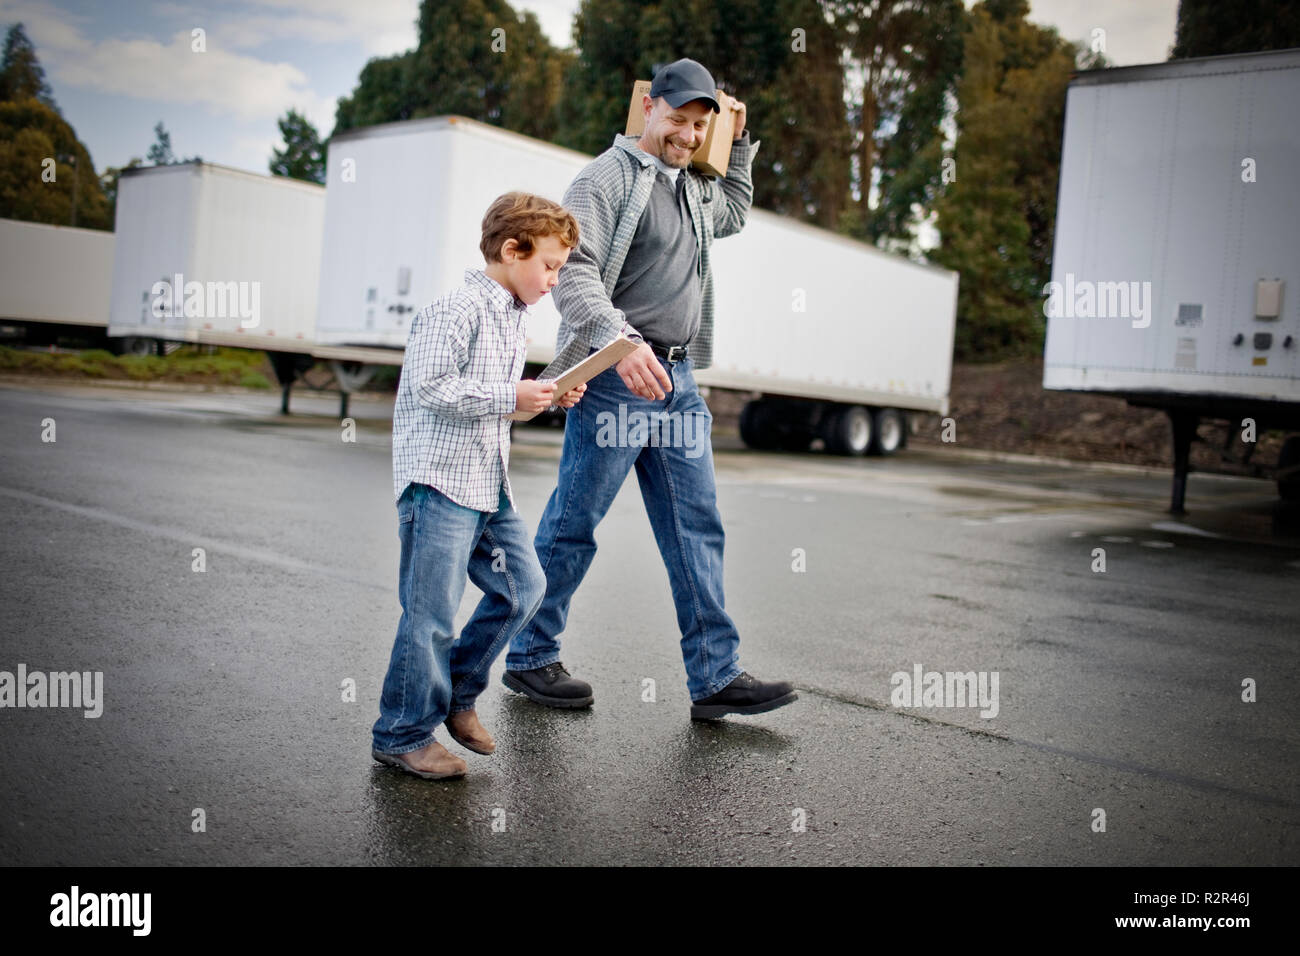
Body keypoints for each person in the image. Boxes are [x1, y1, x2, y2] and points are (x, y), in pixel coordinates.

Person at [502, 59, 797, 720]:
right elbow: (573, 276)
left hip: (679, 382)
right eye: (679, 120)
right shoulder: (603, 180)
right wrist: (622, 343)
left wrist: (739, 145)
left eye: (700, 126)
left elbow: (737, 214)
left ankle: (715, 677)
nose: (688, 136)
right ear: (649, 109)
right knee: (574, 525)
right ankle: (528, 658)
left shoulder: (694, 185)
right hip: (615, 381)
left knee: (697, 528)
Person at [372, 192, 587, 780]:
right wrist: (510, 395)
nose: (553, 281)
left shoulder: (512, 318)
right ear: (511, 249)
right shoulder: (456, 308)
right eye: (548, 265)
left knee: (525, 589)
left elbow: (493, 407)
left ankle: (457, 694)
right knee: (430, 615)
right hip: (437, 484)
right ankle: (401, 732)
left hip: (487, 484)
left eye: (560, 270)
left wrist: (541, 398)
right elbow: (430, 388)